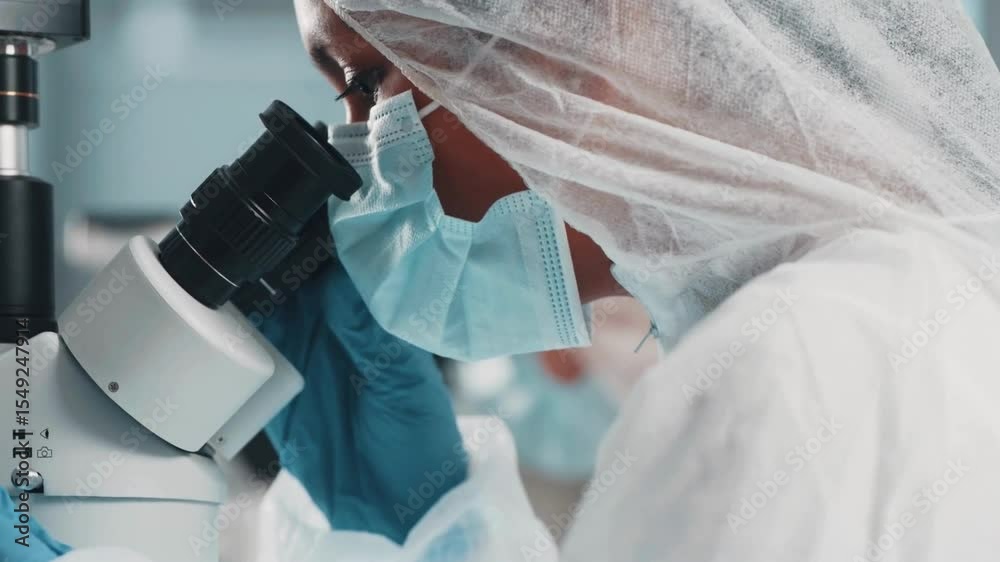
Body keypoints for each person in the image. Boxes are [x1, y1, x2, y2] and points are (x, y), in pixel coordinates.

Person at [8, 0, 1000, 560]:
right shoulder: (926, 313)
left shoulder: (781, 373)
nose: (356, 162)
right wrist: (433, 525)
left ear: (587, 39)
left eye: (366, 80)